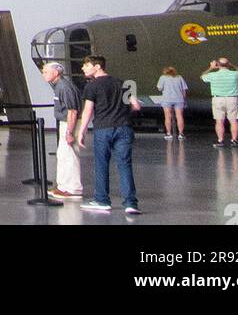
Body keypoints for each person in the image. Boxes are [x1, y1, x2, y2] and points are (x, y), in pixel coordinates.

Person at [76, 55, 141, 214]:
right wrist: (123, 113)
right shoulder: (123, 83)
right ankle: (130, 204)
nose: (83, 68)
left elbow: (88, 111)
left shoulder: (92, 86)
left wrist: (82, 131)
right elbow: (136, 106)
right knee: (125, 165)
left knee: (101, 164)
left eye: (86, 65)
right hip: (124, 127)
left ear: (97, 67)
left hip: (103, 129)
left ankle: (102, 200)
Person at [41, 61, 82, 199]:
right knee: (63, 155)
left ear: (56, 72)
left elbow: (73, 111)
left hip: (70, 123)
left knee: (70, 156)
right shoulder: (59, 86)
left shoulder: (64, 87)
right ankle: (63, 186)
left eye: (46, 71)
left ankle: (73, 188)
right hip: (66, 122)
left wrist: (69, 132)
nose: (43, 74)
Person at [201, 57, 238, 147]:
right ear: (228, 64)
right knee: (233, 120)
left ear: (217, 65)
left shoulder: (213, 75)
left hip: (218, 99)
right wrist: (232, 65)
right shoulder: (235, 74)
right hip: (232, 99)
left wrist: (211, 67)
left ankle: (220, 140)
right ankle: (234, 140)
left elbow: (202, 76)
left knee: (219, 121)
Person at [156, 66, 188, 139]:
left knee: (167, 116)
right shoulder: (179, 77)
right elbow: (184, 90)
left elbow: (159, 88)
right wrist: (184, 99)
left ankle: (169, 133)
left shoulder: (163, 77)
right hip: (179, 99)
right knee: (179, 116)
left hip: (167, 99)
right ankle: (181, 134)